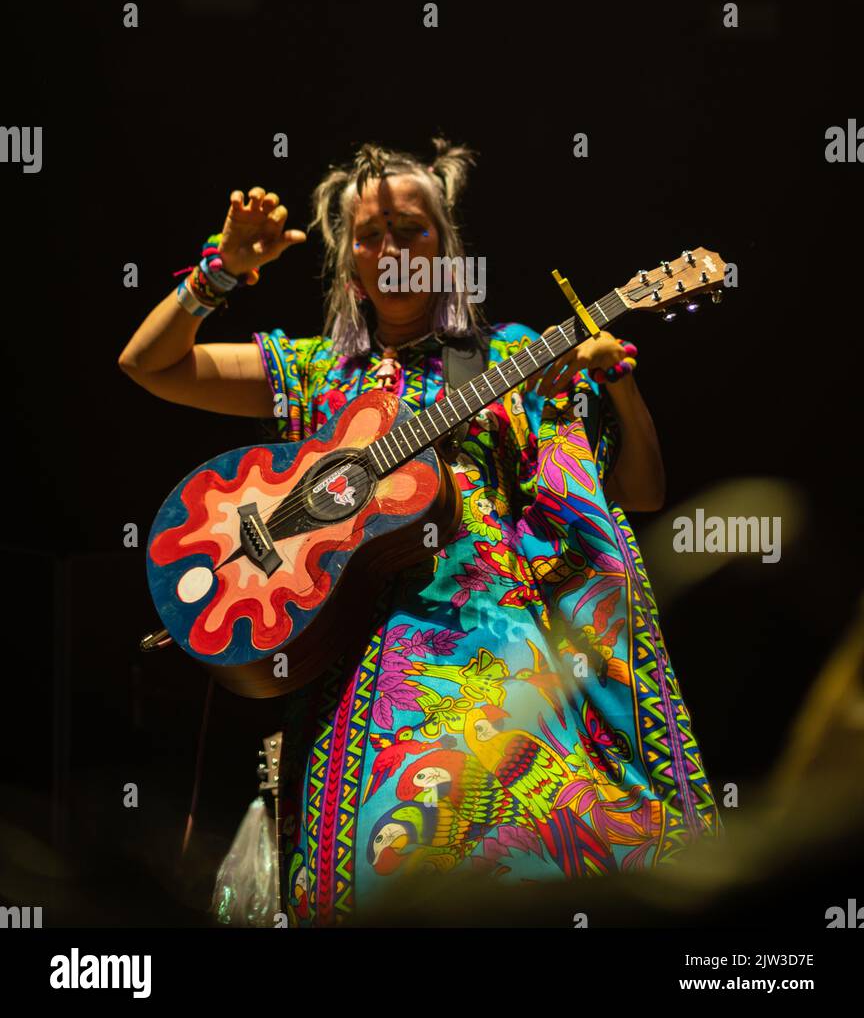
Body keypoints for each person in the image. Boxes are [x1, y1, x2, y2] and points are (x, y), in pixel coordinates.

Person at [118, 137, 722, 928]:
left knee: (533, 856)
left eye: (413, 229)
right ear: (348, 265)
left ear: (447, 249)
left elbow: (638, 493)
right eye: (370, 235)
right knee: (377, 878)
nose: (392, 248)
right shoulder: (316, 374)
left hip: (500, 644)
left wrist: (619, 382)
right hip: (354, 658)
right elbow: (147, 363)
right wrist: (222, 269)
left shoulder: (513, 357)